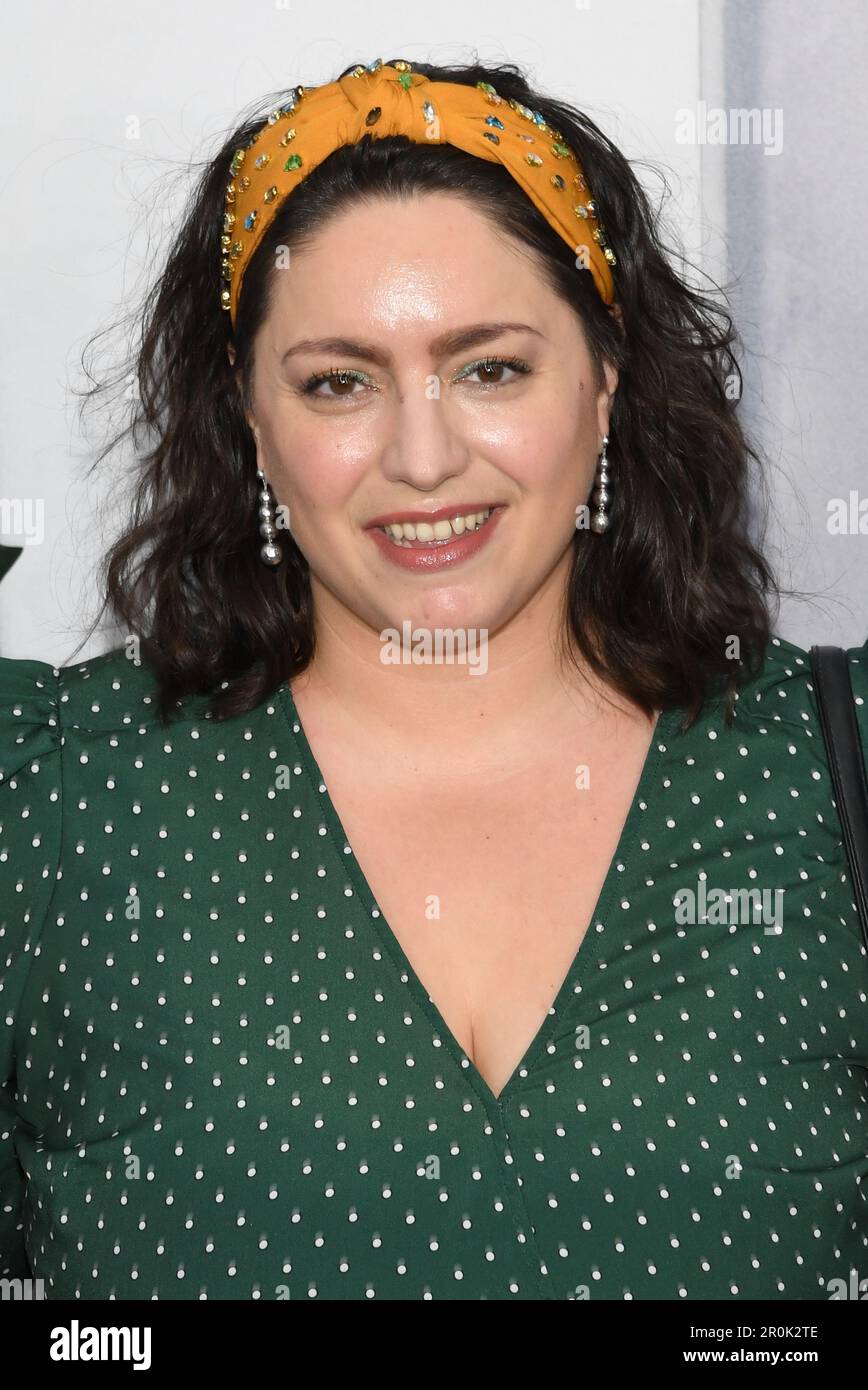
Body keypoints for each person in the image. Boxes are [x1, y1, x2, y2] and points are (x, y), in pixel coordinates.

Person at [1, 56, 866, 1302]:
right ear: (248, 418)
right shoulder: (53, 804)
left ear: (607, 382)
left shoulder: (824, 771)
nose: (421, 455)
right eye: (338, 382)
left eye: (489, 368)